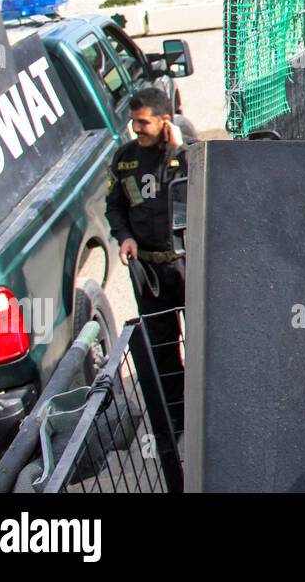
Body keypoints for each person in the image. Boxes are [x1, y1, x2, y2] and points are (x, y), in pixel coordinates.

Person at [105, 87, 190, 432]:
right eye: (132, 123)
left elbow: (205, 180)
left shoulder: (182, 155)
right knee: (162, 349)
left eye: (143, 123)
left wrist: (178, 147)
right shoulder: (124, 158)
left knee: (202, 341)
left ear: (164, 120)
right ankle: (176, 419)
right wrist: (124, 236)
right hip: (148, 272)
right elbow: (114, 206)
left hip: (186, 265)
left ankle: (206, 411)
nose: (135, 130)